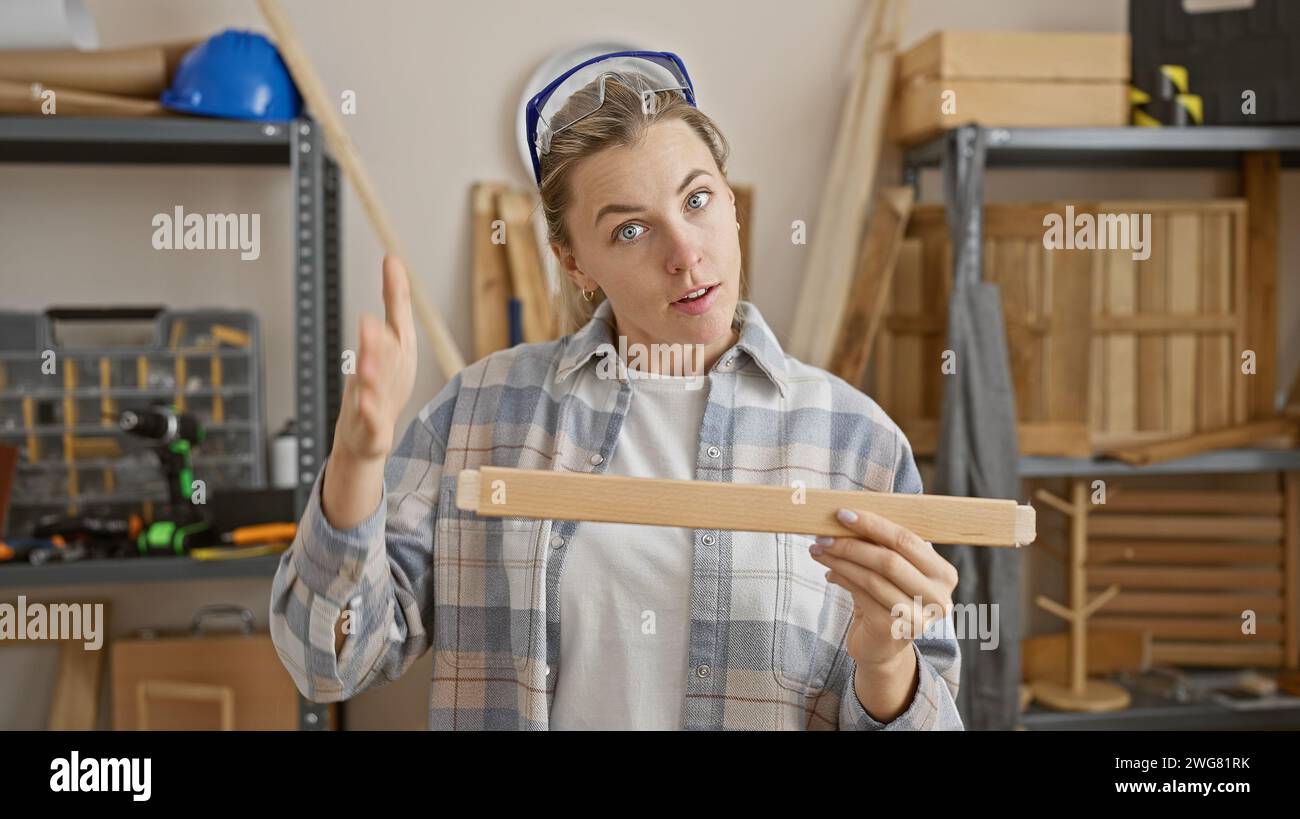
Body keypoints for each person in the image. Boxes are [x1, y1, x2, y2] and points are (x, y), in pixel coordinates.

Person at [270, 51, 963, 730]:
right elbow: (326, 662)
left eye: (697, 200)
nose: (685, 252)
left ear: (731, 199)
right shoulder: (479, 415)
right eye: (630, 229)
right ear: (575, 262)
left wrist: (885, 663)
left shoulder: (856, 443)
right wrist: (356, 466)